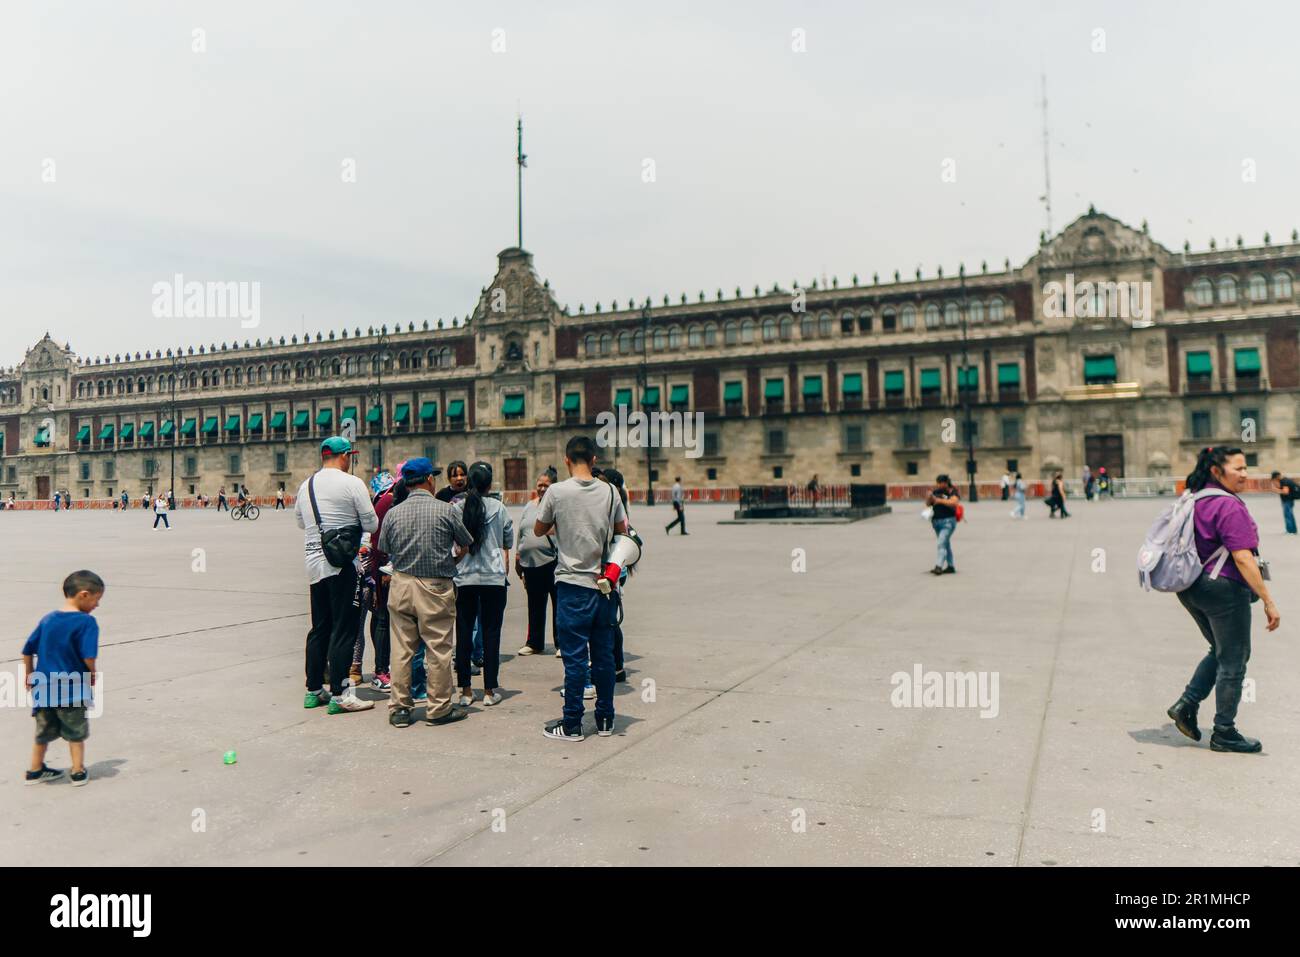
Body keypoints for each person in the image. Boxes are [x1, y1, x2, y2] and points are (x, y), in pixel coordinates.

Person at [1167, 447, 1280, 754]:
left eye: (1246, 468)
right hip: (1223, 590)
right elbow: (1243, 558)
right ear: (1217, 472)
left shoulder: (1196, 497)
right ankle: (1224, 732)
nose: (1244, 474)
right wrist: (1267, 600)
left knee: (1220, 650)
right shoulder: (1229, 507)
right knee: (1235, 658)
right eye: (1238, 468)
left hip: (1191, 586)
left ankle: (1186, 705)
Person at [535, 435, 627, 741]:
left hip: (572, 585)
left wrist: (564, 525)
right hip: (604, 586)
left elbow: (538, 528)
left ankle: (572, 723)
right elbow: (622, 532)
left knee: (575, 658)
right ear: (594, 459)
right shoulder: (611, 492)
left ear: (566, 460)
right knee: (603, 657)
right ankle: (605, 719)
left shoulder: (557, 492)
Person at [379, 457, 474, 728]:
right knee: (438, 648)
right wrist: (451, 563)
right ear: (429, 480)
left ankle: (399, 709)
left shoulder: (393, 513)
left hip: (402, 584)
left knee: (401, 649)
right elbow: (466, 543)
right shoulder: (446, 510)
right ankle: (439, 707)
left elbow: (386, 547)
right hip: (435, 585)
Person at [295, 436, 379, 714]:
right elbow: (372, 522)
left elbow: (299, 522)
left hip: (314, 565)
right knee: (344, 630)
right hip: (342, 565)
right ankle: (341, 695)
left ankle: (313, 690)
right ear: (344, 457)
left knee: (320, 628)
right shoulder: (352, 482)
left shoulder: (305, 486)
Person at [22, 570, 103, 787]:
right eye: (97, 599)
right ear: (84, 594)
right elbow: (88, 656)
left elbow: (27, 650)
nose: (97, 605)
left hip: (44, 689)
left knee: (43, 732)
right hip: (72, 689)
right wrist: (92, 674)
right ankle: (77, 771)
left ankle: (35, 770)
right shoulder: (86, 622)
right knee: (75, 732)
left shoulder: (48, 619)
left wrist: (29, 675)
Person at [516, 470, 557, 655]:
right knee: (534, 605)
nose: (541, 488)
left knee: (559, 605)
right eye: (539, 485)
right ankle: (534, 643)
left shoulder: (558, 506)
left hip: (552, 562)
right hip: (530, 564)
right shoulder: (529, 506)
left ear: (553, 487)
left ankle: (561, 644)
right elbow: (522, 531)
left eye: (545, 485)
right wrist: (518, 554)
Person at [926, 474, 960, 575]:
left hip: (948, 521)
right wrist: (929, 497)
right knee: (945, 544)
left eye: (940, 483)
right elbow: (928, 504)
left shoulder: (952, 491)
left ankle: (938, 566)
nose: (938, 485)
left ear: (945, 483)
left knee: (941, 543)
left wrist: (939, 500)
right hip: (936, 522)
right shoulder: (935, 492)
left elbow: (954, 502)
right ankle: (951, 566)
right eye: (937, 483)